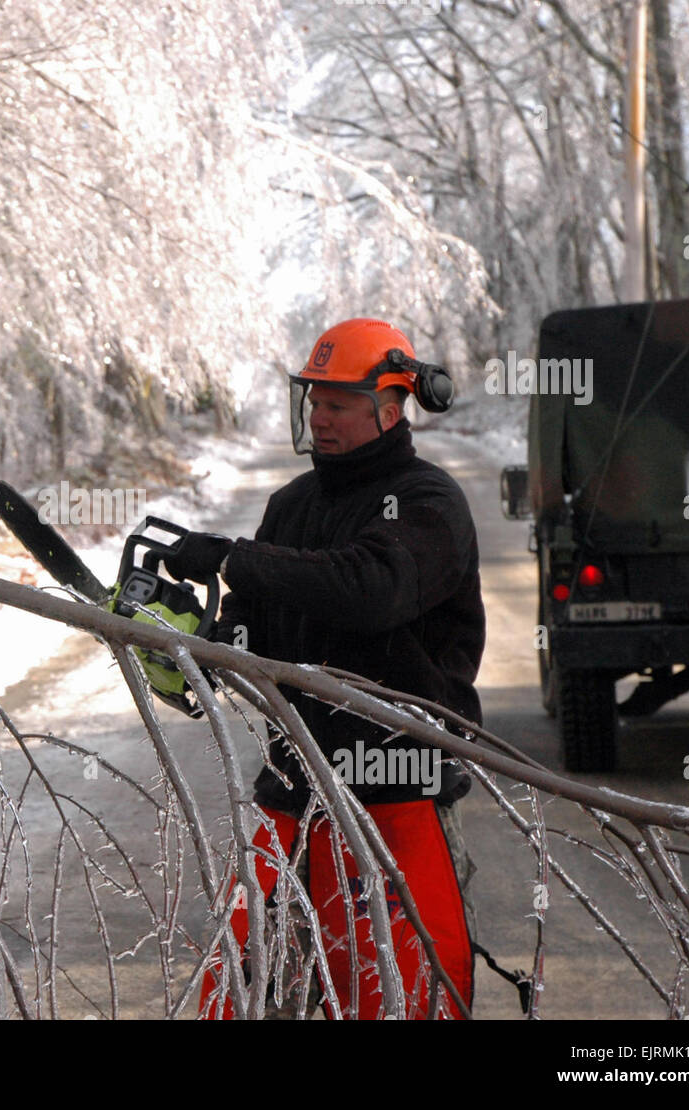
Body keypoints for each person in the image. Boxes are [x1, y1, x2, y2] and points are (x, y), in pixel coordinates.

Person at [166, 318, 485, 1019]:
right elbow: (256, 628)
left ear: (391, 406)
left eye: (338, 403)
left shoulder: (429, 504)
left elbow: (369, 589)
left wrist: (230, 555)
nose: (320, 416)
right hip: (293, 789)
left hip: (398, 793)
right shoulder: (292, 507)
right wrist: (198, 647)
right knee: (236, 992)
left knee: (403, 1000)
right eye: (315, 400)